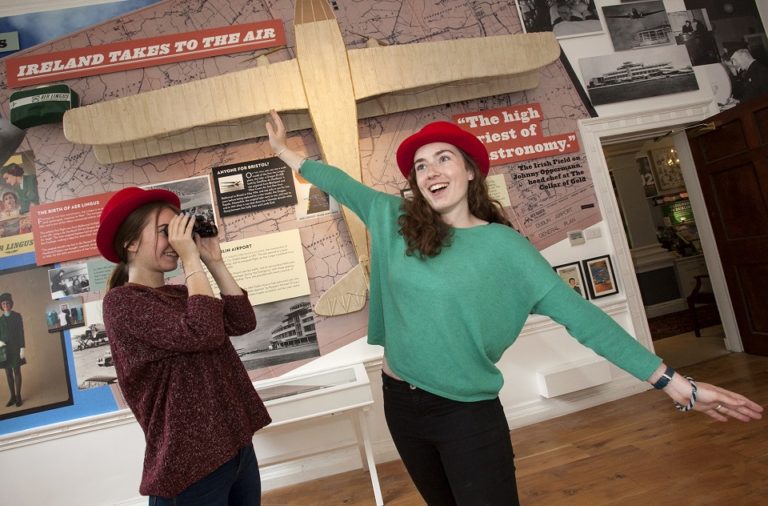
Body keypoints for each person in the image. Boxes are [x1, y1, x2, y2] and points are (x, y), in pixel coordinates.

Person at [266, 110, 763, 505]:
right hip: (398, 401)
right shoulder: (392, 218)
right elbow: (338, 182)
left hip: (465, 413)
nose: (430, 171)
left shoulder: (508, 249)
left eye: (443, 158)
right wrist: (287, 153)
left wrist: (675, 383)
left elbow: (586, 320)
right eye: (420, 165)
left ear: (468, 169)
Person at [96, 186, 271, 503]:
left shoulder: (181, 294)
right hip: (190, 463)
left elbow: (241, 321)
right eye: (167, 232)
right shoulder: (121, 303)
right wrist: (192, 262)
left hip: (235, 446)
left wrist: (213, 261)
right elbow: (201, 331)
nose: (177, 242)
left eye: (180, 232)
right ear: (130, 242)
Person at [0, 292, 25, 408]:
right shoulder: (0, 320)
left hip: (15, 348)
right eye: (3, 303)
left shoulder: (17, 316)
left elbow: (21, 332)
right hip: (4, 350)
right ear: (1, 305)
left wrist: (22, 348)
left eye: (7, 303)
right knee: (8, 373)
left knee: (17, 372)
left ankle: (19, 396)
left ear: (11, 304)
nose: (5, 305)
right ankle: (12, 396)